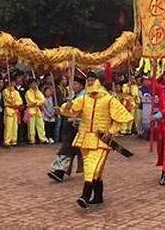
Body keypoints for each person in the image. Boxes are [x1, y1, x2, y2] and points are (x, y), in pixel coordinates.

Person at [58, 73, 133, 208]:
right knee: (93, 168)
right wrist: (66, 106)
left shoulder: (109, 99)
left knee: (92, 166)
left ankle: (85, 196)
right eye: (89, 80)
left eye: (93, 80)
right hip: (85, 137)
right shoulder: (84, 98)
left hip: (101, 139)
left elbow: (122, 117)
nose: (90, 83)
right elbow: (71, 111)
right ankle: (98, 196)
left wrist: (111, 132)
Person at [47, 74, 86, 182]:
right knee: (69, 149)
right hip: (71, 126)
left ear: (82, 86)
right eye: (73, 83)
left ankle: (60, 172)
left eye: (76, 84)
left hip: (78, 127)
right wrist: (61, 110)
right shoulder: (75, 95)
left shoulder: (83, 97)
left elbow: (76, 110)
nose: (73, 86)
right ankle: (60, 172)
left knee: (68, 148)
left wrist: (64, 111)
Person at [25, 79, 48, 144]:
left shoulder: (38, 92)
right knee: (31, 126)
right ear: (30, 85)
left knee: (41, 125)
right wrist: (38, 102)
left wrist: (38, 101)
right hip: (31, 110)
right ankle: (32, 139)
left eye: (35, 83)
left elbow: (43, 100)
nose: (34, 85)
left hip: (38, 110)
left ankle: (43, 138)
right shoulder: (28, 92)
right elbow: (31, 101)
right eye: (33, 83)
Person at [3, 78, 23, 147]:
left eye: (14, 82)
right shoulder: (5, 91)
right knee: (8, 126)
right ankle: (7, 141)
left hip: (15, 110)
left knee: (15, 126)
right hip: (9, 109)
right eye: (12, 82)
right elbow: (8, 99)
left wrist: (16, 104)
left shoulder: (16, 92)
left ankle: (14, 140)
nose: (13, 84)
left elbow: (20, 101)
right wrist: (14, 102)